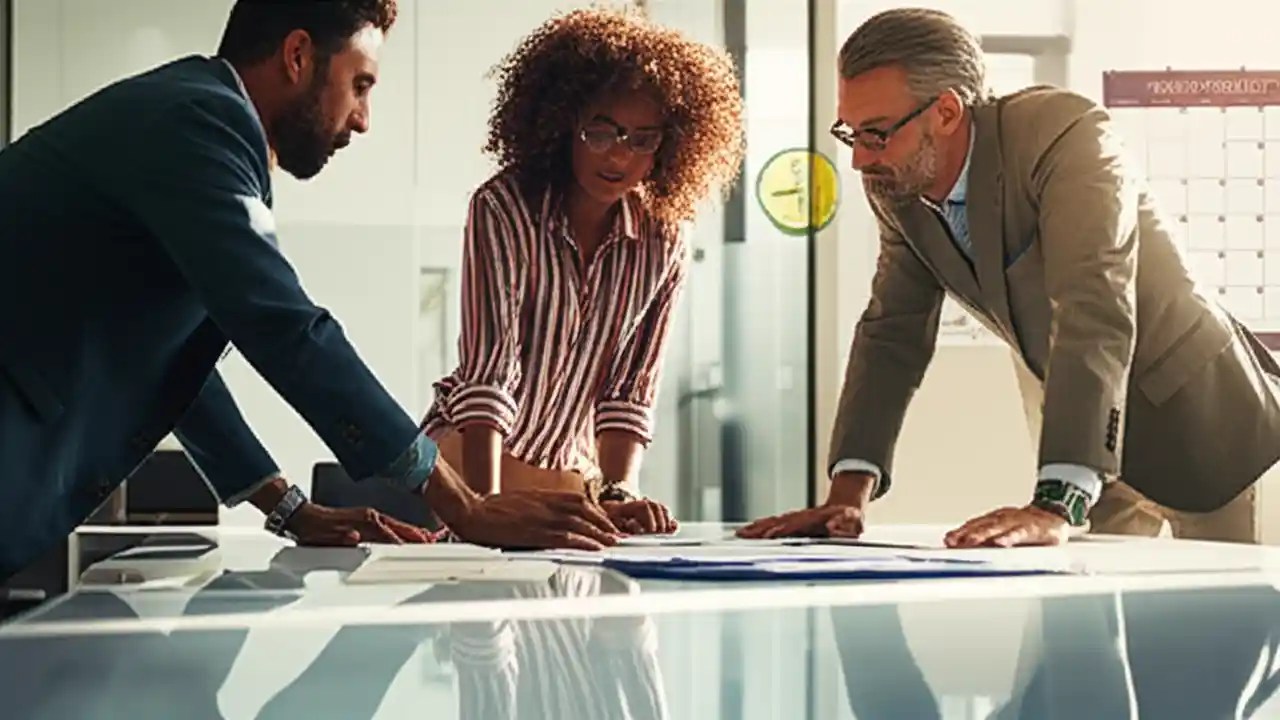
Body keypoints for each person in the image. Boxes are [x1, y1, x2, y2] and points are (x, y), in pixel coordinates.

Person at [0, 0, 622, 582]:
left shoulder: (190, 120)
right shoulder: (199, 123)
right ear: (298, 56)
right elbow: (288, 329)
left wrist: (289, 508)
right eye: (361, 84)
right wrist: (463, 504)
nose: (363, 119)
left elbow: (171, 368)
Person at [740, 8, 1280, 547]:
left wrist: (1058, 500)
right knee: (1082, 621)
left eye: (876, 134)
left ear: (946, 112)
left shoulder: (1064, 135)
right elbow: (892, 332)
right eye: (850, 133)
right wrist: (845, 496)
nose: (859, 160)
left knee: (1219, 622)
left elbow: (1093, 302)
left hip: (1197, 416)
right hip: (1085, 434)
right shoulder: (897, 185)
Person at [419, 7, 744, 535]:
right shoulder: (503, 207)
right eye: (602, 131)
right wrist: (483, 509)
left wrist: (618, 492)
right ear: (564, 121)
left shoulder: (665, 238)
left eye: (643, 138)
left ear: (670, 145)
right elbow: (488, 378)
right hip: (466, 465)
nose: (619, 155)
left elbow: (630, 393)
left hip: (569, 478)